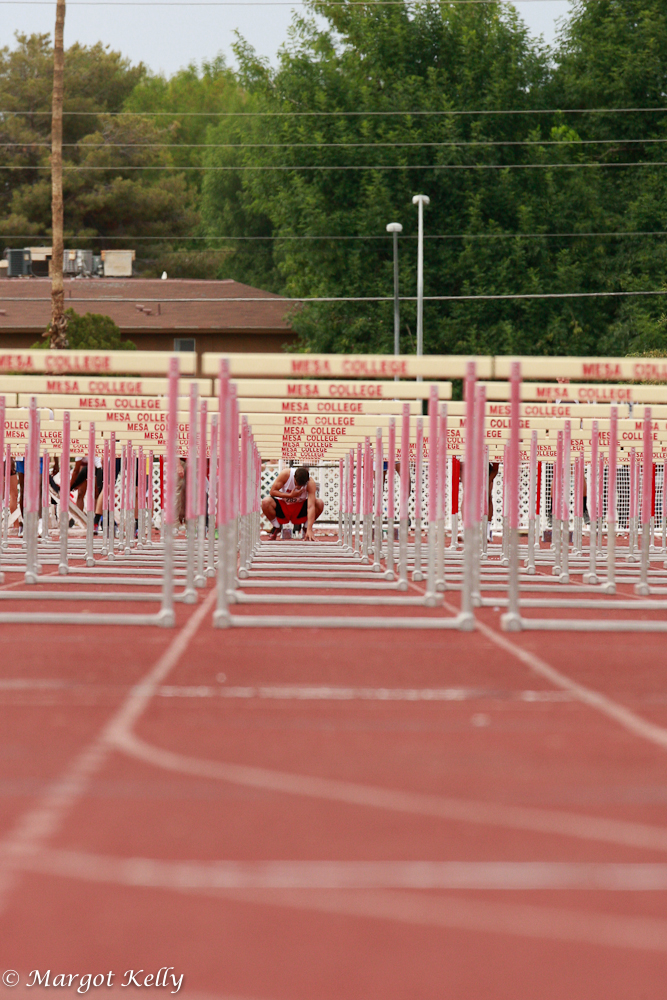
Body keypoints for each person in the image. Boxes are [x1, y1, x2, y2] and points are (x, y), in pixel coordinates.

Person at [262, 465, 323, 541]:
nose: (298, 487)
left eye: (301, 485)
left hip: (299, 509)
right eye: (296, 484)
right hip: (283, 507)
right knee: (265, 501)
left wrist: (310, 528)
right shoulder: (286, 474)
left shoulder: (310, 483)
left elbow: (311, 506)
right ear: (294, 477)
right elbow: (272, 492)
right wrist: (290, 495)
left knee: (319, 503)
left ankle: (306, 528)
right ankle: (276, 527)